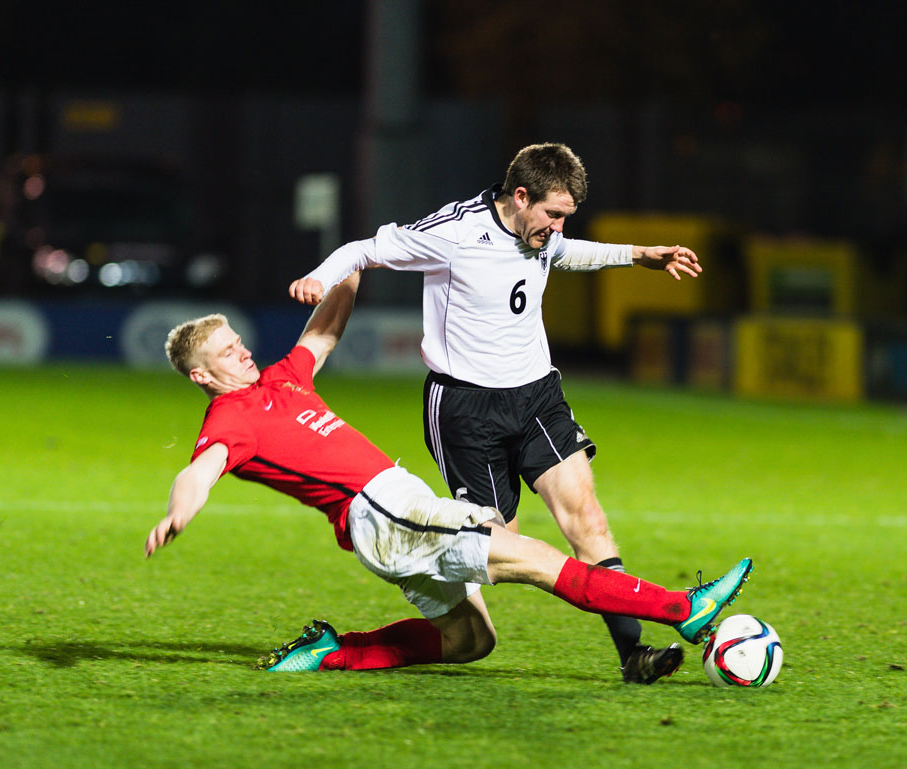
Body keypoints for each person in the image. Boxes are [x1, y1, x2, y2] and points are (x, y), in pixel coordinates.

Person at [143, 272, 752, 675]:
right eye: (226, 352)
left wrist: (350, 270)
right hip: (385, 511)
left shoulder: (281, 379)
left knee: (470, 642)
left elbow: (323, 332)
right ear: (201, 375)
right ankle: (682, 609)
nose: (241, 351)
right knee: (537, 558)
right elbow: (203, 467)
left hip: (387, 519)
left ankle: (334, 652)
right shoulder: (230, 417)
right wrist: (179, 509)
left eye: (236, 341)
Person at [288, 142, 703, 683]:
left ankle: (634, 653)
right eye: (552, 215)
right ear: (521, 195)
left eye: (564, 219)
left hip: (536, 397)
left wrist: (638, 255)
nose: (556, 228)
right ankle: (373, 628)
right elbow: (362, 250)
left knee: (588, 519)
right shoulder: (454, 232)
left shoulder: (542, 235)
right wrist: (320, 276)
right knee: (496, 554)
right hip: (465, 410)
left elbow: (566, 252)